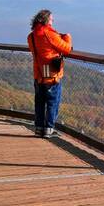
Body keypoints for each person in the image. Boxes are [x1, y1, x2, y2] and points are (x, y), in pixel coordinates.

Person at [28, 9, 72, 138]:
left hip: (38, 74)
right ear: (46, 20)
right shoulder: (50, 35)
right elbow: (67, 49)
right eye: (52, 19)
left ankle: (39, 128)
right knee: (53, 102)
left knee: (40, 103)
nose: (53, 21)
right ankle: (49, 129)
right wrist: (67, 37)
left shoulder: (31, 36)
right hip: (52, 75)